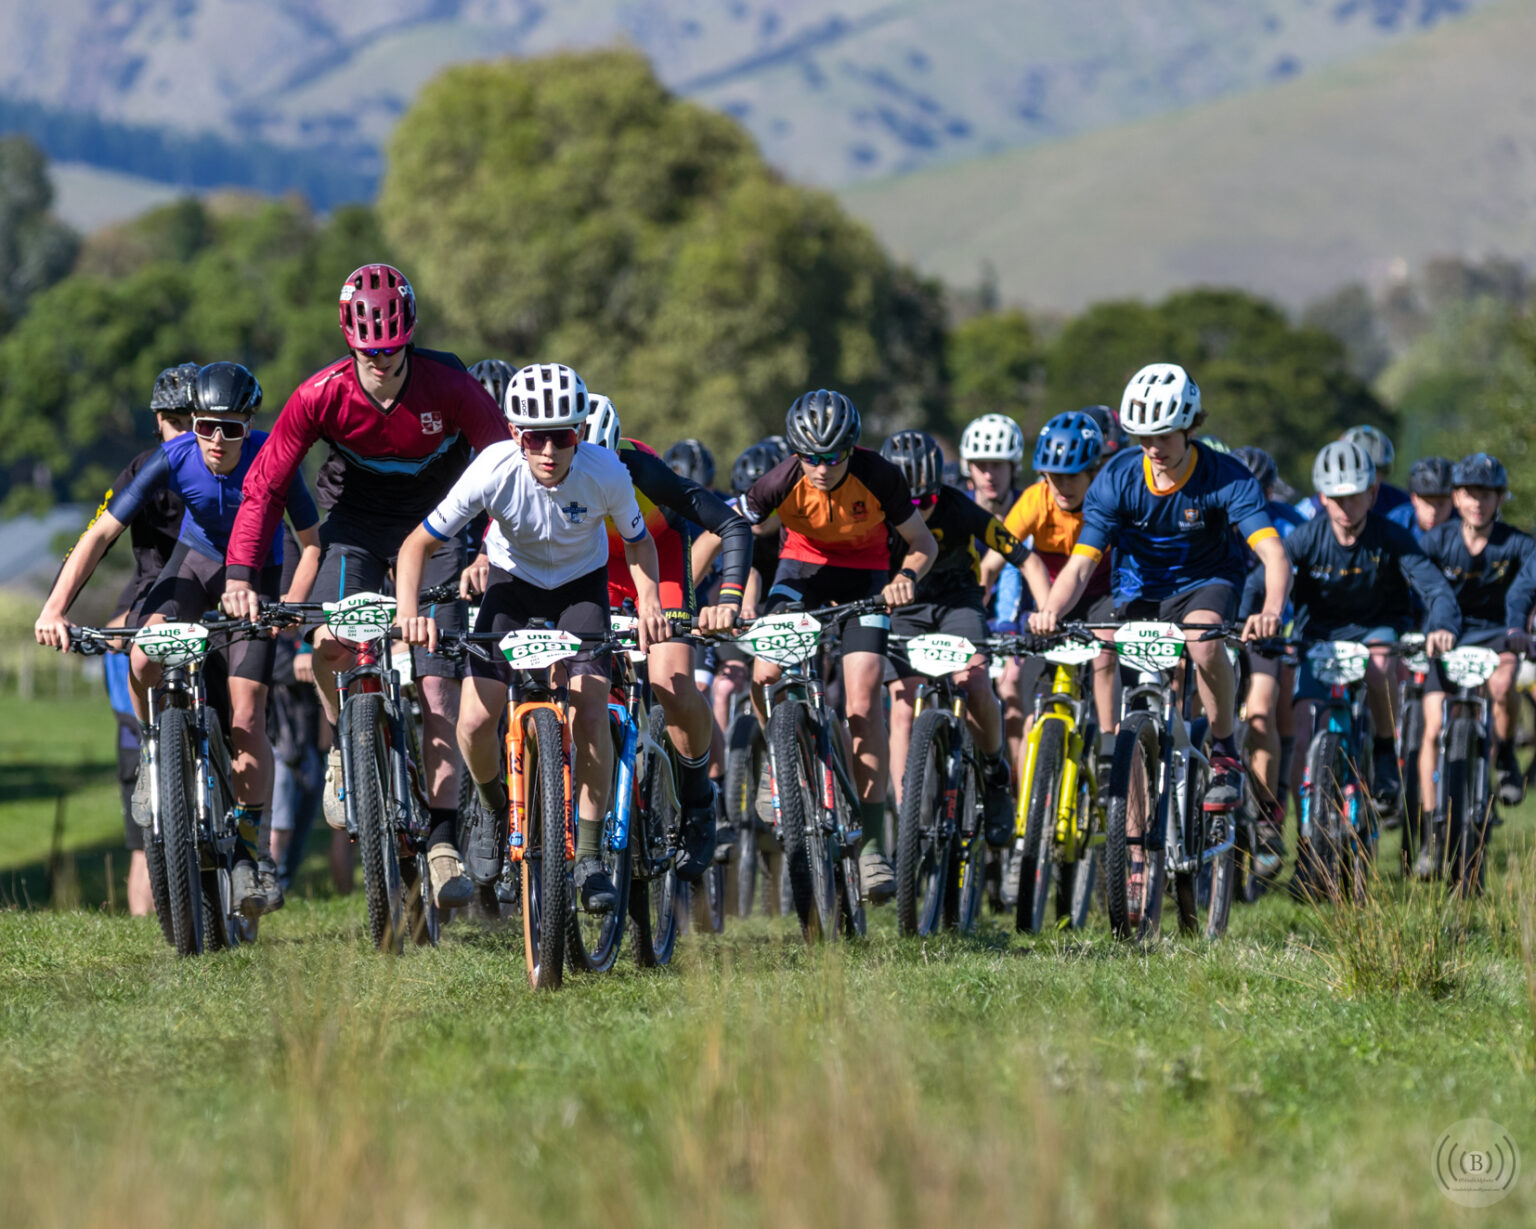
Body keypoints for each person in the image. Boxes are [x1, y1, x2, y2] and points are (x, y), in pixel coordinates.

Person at [221, 263, 510, 910]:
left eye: (391, 350)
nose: (380, 362)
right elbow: (264, 484)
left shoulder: (452, 387)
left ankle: (440, 838)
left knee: (436, 677)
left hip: (439, 529)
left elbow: (503, 469)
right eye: (367, 352)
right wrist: (241, 573)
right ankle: (341, 743)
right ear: (349, 344)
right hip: (353, 528)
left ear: (408, 338)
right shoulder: (319, 394)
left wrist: (487, 549)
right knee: (325, 644)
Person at [37, 362, 323, 916]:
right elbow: (100, 533)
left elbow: (311, 543)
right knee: (143, 655)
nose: (217, 440)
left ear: (249, 425)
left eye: (231, 429)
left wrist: (288, 609)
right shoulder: (173, 457)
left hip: (261, 576)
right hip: (193, 565)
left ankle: (251, 852)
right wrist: (55, 607)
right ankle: (155, 753)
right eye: (206, 426)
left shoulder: (275, 456)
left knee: (245, 716)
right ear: (192, 423)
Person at [394, 363, 670, 914]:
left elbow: (640, 545)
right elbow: (415, 546)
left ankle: (590, 857)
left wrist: (650, 602)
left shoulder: (606, 471)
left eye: (562, 436)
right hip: (511, 588)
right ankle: (494, 811)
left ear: (578, 433)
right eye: (535, 437)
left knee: (590, 708)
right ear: (516, 435)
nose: (549, 450)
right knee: (473, 720)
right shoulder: (492, 469)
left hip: (579, 589)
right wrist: (409, 615)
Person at [1029, 363, 1291, 812]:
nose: (1153, 448)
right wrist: (1050, 610)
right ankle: (1131, 842)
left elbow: (1274, 555)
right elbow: (1079, 566)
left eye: (1165, 436)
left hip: (1205, 582)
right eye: (1143, 437)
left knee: (1203, 642)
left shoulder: (1226, 477)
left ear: (1190, 427)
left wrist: (1271, 609)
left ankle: (1225, 749)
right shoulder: (1118, 479)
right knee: (1114, 662)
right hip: (1138, 589)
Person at [740, 389, 938, 902]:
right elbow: (733, 529)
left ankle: (872, 846)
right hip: (799, 574)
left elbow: (923, 544)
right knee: (763, 674)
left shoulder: (881, 477)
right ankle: (776, 761)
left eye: (833, 458)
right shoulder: (778, 481)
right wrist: (717, 594)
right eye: (810, 457)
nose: (821, 468)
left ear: (851, 449)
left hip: (867, 580)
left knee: (862, 701)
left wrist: (906, 578)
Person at [578, 395, 753, 877]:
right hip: (589, 566)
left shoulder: (647, 473)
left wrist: (729, 601)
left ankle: (699, 803)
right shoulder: (541, 468)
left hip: (660, 555)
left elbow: (732, 525)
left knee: (670, 681)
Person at [1282, 440, 1460, 825]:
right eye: (1336, 497)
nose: (1345, 506)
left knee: (1378, 665)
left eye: (1355, 496)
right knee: (1299, 734)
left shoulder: (1393, 536)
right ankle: (1306, 839)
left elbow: (1434, 587)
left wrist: (1443, 624)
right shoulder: (1304, 537)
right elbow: (1263, 580)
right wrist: (1254, 614)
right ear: (1322, 498)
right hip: (1320, 636)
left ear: (1373, 493)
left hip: (1377, 629)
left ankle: (1382, 749)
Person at [880, 430, 1029, 844]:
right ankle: (906, 809)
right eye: (905, 504)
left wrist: (1048, 610)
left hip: (957, 603)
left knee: (976, 681)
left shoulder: (959, 506)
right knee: (901, 704)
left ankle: (995, 775)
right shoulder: (874, 513)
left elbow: (1022, 556)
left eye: (925, 500)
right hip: (905, 611)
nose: (917, 511)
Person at [92, 363, 196, 916]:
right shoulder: (140, 470)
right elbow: (100, 536)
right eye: (176, 422)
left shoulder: (217, 464)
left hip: (210, 597)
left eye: (195, 421)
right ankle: (153, 753)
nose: (187, 432)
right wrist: (116, 616)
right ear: (158, 421)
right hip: (147, 598)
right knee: (140, 776)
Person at [1417, 453, 1536, 848]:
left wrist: (1519, 631)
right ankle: (1435, 826)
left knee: (1504, 686)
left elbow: (1524, 591)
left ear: (1500, 498)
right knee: (1432, 730)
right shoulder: (1436, 542)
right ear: (1456, 497)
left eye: (1487, 494)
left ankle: (1502, 757)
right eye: (1470, 494)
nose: (1478, 502)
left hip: (1499, 634)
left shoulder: (1518, 544)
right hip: (1446, 638)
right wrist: (1428, 630)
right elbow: (1419, 586)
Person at [1003, 412, 1117, 740]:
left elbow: (1086, 569)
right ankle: (1026, 787)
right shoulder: (1035, 499)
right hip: (1054, 597)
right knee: (1032, 699)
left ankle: (1108, 745)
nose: (1062, 486)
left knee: (1105, 650)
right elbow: (998, 558)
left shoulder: (1106, 502)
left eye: (1073, 476)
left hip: (1101, 594)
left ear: (1093, 473)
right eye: (1054, 476)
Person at [1231, 444, 1305, 869]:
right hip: (1222, 627)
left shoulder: (1292, 525)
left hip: (1272, 632)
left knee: (1264, 707)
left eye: (1259, 488)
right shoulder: (1217, 517)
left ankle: (1266, 815)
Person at [960, 412, 1031, 768]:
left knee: (1011, 687)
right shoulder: (955, 507)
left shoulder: (1028, 507)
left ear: (1014, 467)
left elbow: (1017, 579)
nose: (989, 475)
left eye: (998, 466)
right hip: (963, 618)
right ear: (967, 467)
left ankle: (1015, 799)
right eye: (981, 465)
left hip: (1014, 623)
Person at [1406, 456, 1457, 541]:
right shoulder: (1396, 523)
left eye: (1441, 504)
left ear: (1454, 500)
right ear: (1414, 499)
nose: (1433, 512)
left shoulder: (1464, 529)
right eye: (1427, 503)